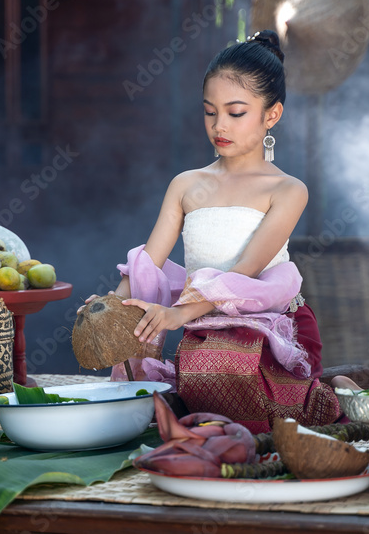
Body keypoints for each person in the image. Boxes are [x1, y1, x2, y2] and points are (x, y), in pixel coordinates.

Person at [82, 30, 345, 433]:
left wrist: (176, 314)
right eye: (210, 111)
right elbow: (146, 266)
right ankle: (321, 390)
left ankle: (329, 391)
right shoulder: (186, 185)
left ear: (271, 115)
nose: (219, 125)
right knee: (197, 387)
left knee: (234, 389)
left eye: (236, 112)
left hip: (272, 327)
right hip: (207, 333)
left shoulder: (287, 190)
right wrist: (108, 307)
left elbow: (247, 270)